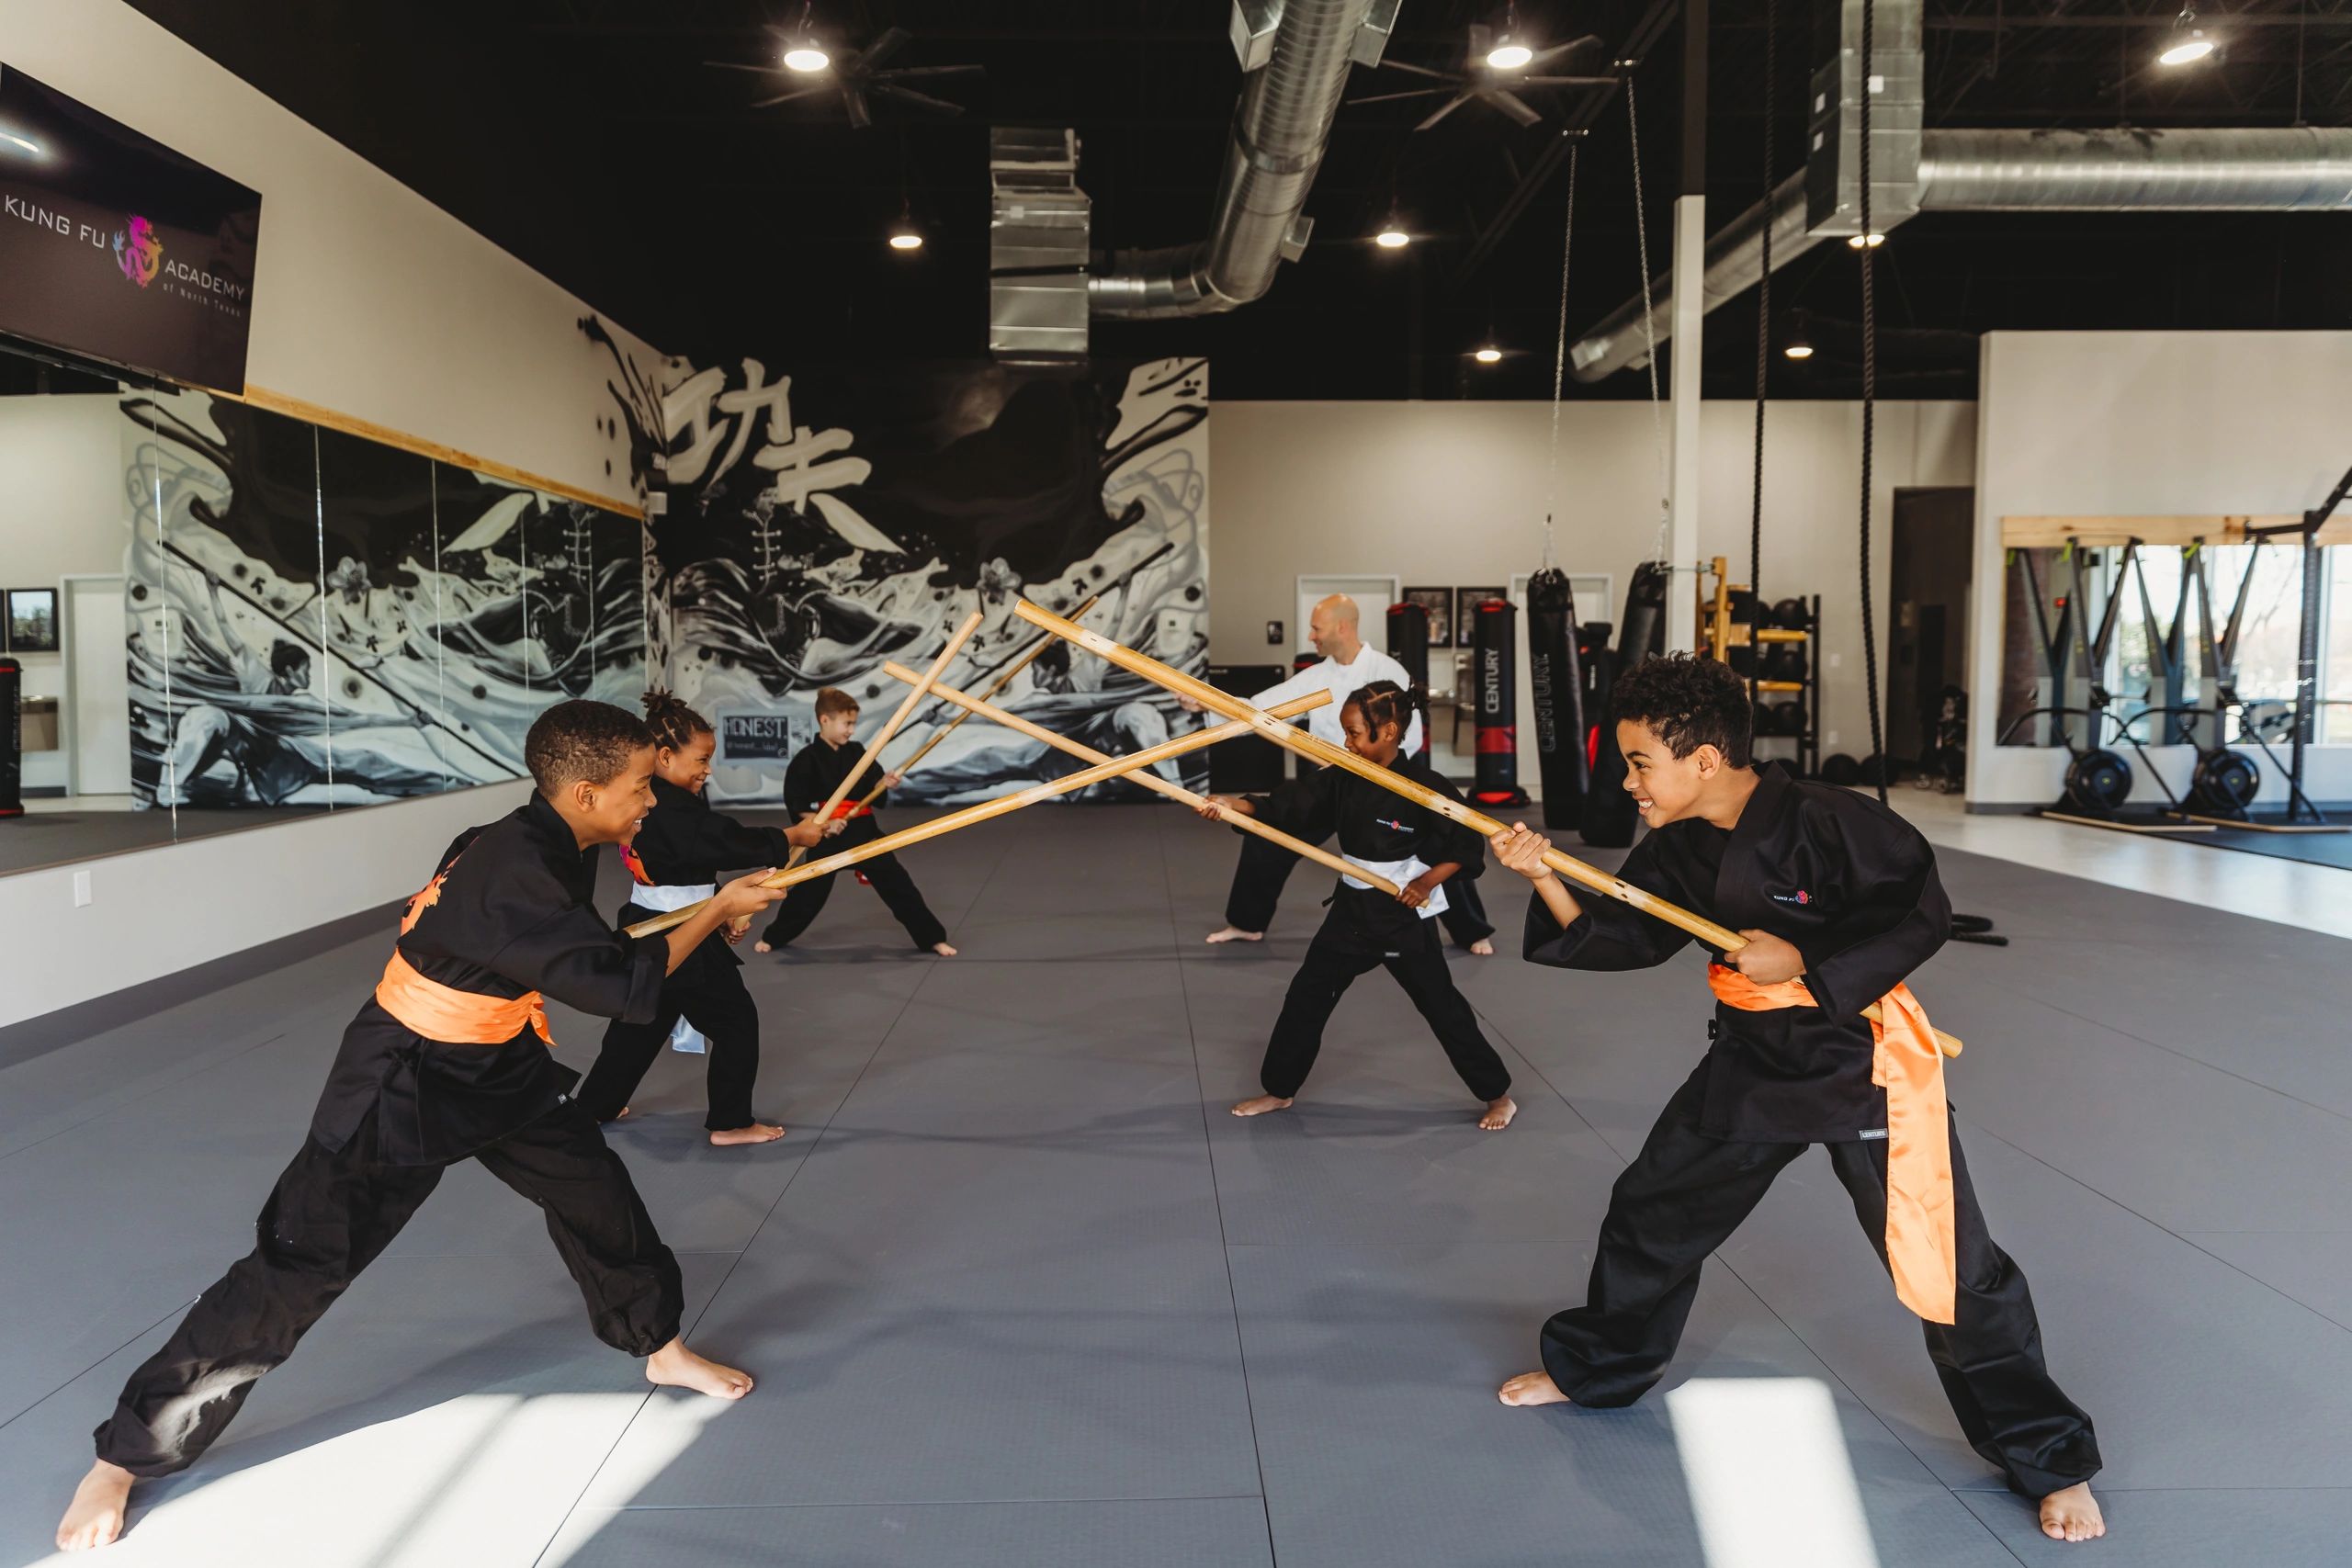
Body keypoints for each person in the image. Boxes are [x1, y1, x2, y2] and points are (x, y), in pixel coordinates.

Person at [54, 699, 786, 1554]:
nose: (650, 800)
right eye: (637, 787)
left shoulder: (533, 838)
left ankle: (656, 1342)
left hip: (498, 1058)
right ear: (586, 793)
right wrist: (715, 910)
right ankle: (127, 1454)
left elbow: (574, 944)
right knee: (299, 1265)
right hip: (402, 1076)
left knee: (595, 1191)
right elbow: (618, 986)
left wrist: (709, 917)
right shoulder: (518, 868)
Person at [1487, 653, 2105, 1546]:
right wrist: (1542, 873)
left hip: (1859, 1063)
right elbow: (1627, 937)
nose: (1626, 783)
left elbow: (1921, 913)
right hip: (1752, 1061)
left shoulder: (1831, 820)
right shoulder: (1678, 843)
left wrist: (1808, 967)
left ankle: (2052, 1458)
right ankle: (1599, 1367)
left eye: (1636, 763)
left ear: (1703, 759)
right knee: (1649, 1209)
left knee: (1948, 1268)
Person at [1200, 682, 1518, 1131]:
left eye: (1353, 733)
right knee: (1306, 997)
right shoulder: (1346, 775)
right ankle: (1280, 1089)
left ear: (1388, 731)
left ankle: (1498, 1095)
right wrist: (1236, 805)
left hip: (1401, 914)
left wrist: (1426, 881)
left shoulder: (1426, 788)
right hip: (1351, 911)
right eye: (1345, 733)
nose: (1346, 742)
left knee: (1442, 1007)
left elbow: (1464, 846)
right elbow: (1294, 805)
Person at [575, 690, 841, 1145]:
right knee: (736, 1022)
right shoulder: (668, 808)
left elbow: (692, 864)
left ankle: (593, 1109)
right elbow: (722, 842)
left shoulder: (662, 800)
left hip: (659, 918)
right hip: (678, 929)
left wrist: (723, 910)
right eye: (700, 760)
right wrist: (793, 834)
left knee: (638, 1023)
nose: (707, 770)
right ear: (664, 756)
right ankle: (730, 1122)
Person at [1187, 594, 1495, 956]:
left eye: (1317, 628)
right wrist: (1208, 703)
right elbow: (1262, 710)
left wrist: (1380, 777)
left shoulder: (1387, 672)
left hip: (1387, 785)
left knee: (1434, 845)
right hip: (1332, 781)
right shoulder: (1317, 676)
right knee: (1267, 836)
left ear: (1342, 627)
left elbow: (1409, 737)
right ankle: (1246, 922)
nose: (1312, 637)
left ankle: (1471, 929)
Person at [754, 685, 956, 957]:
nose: (851, 730)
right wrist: (824, 824)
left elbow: (873, 784)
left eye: (854, 724)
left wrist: (884, 782)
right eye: (847, 723)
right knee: (807, 895)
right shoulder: (807, 760)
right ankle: (774, 936)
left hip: (864, 833)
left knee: (900, 886)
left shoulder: (856, 751)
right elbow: (798, 804)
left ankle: (932, 938)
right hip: (827, 838)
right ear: (825, 720)